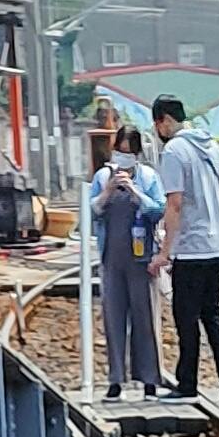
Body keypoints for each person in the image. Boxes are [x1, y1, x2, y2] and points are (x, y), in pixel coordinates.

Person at [151, 92, 219, 399]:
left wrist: (165, 252)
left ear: (164, 121)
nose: (158, 132)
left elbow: (174, 204)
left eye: (157, 125)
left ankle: (187, 384)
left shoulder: (175, 151)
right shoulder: (208, 142)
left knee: (186, 317)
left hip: (191, 247)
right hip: (217, 244)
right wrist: (211, 205)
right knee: (211, 312)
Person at [88, 119, 164, 397]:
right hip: (112, 256)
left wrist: (134, 191)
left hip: (142, 257)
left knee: (145, 317)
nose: (123, 157)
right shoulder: (101, 177)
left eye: (129, 152)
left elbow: (158, 210)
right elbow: (90, 213)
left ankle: (149, 379)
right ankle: (116, 378)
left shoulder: (148, 177)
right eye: (119, 150)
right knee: (113, 316)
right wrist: (108, 191)